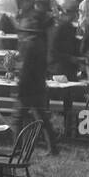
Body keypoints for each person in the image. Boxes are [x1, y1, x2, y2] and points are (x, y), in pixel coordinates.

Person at [14, 12, 58, 155]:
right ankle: (53, 148)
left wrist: (20, 85)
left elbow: (26, 69)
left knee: (17, 119)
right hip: (39, 86)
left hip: (28, 88)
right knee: (43, 119)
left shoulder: (28, 46)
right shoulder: (40, 44)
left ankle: (18, 148)